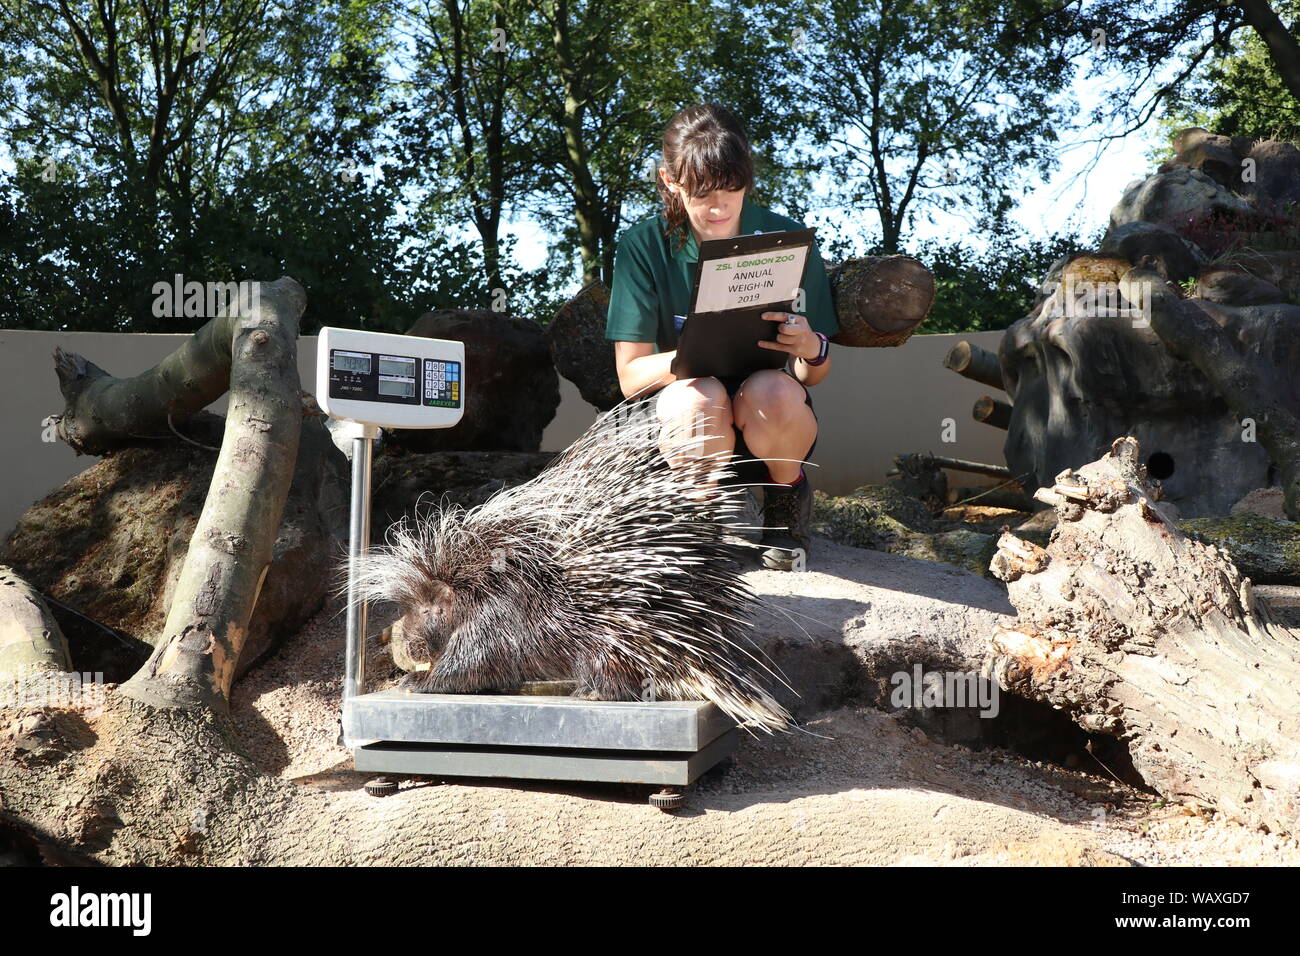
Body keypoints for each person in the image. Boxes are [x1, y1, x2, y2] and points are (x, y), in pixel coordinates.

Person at [604, 102, 837, 571]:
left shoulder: (786, 237)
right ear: (670, 180)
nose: (718, 208)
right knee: (699, 396)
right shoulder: (642, 245)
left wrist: (812, 348)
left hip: (769, 414)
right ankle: (697, 525)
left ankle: (784, 506)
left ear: (747, 178)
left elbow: (811, 376)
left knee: (774, 389)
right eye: (703, 192)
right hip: (679, 422)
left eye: (731, 190)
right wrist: (691, 354)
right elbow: (630, 378)